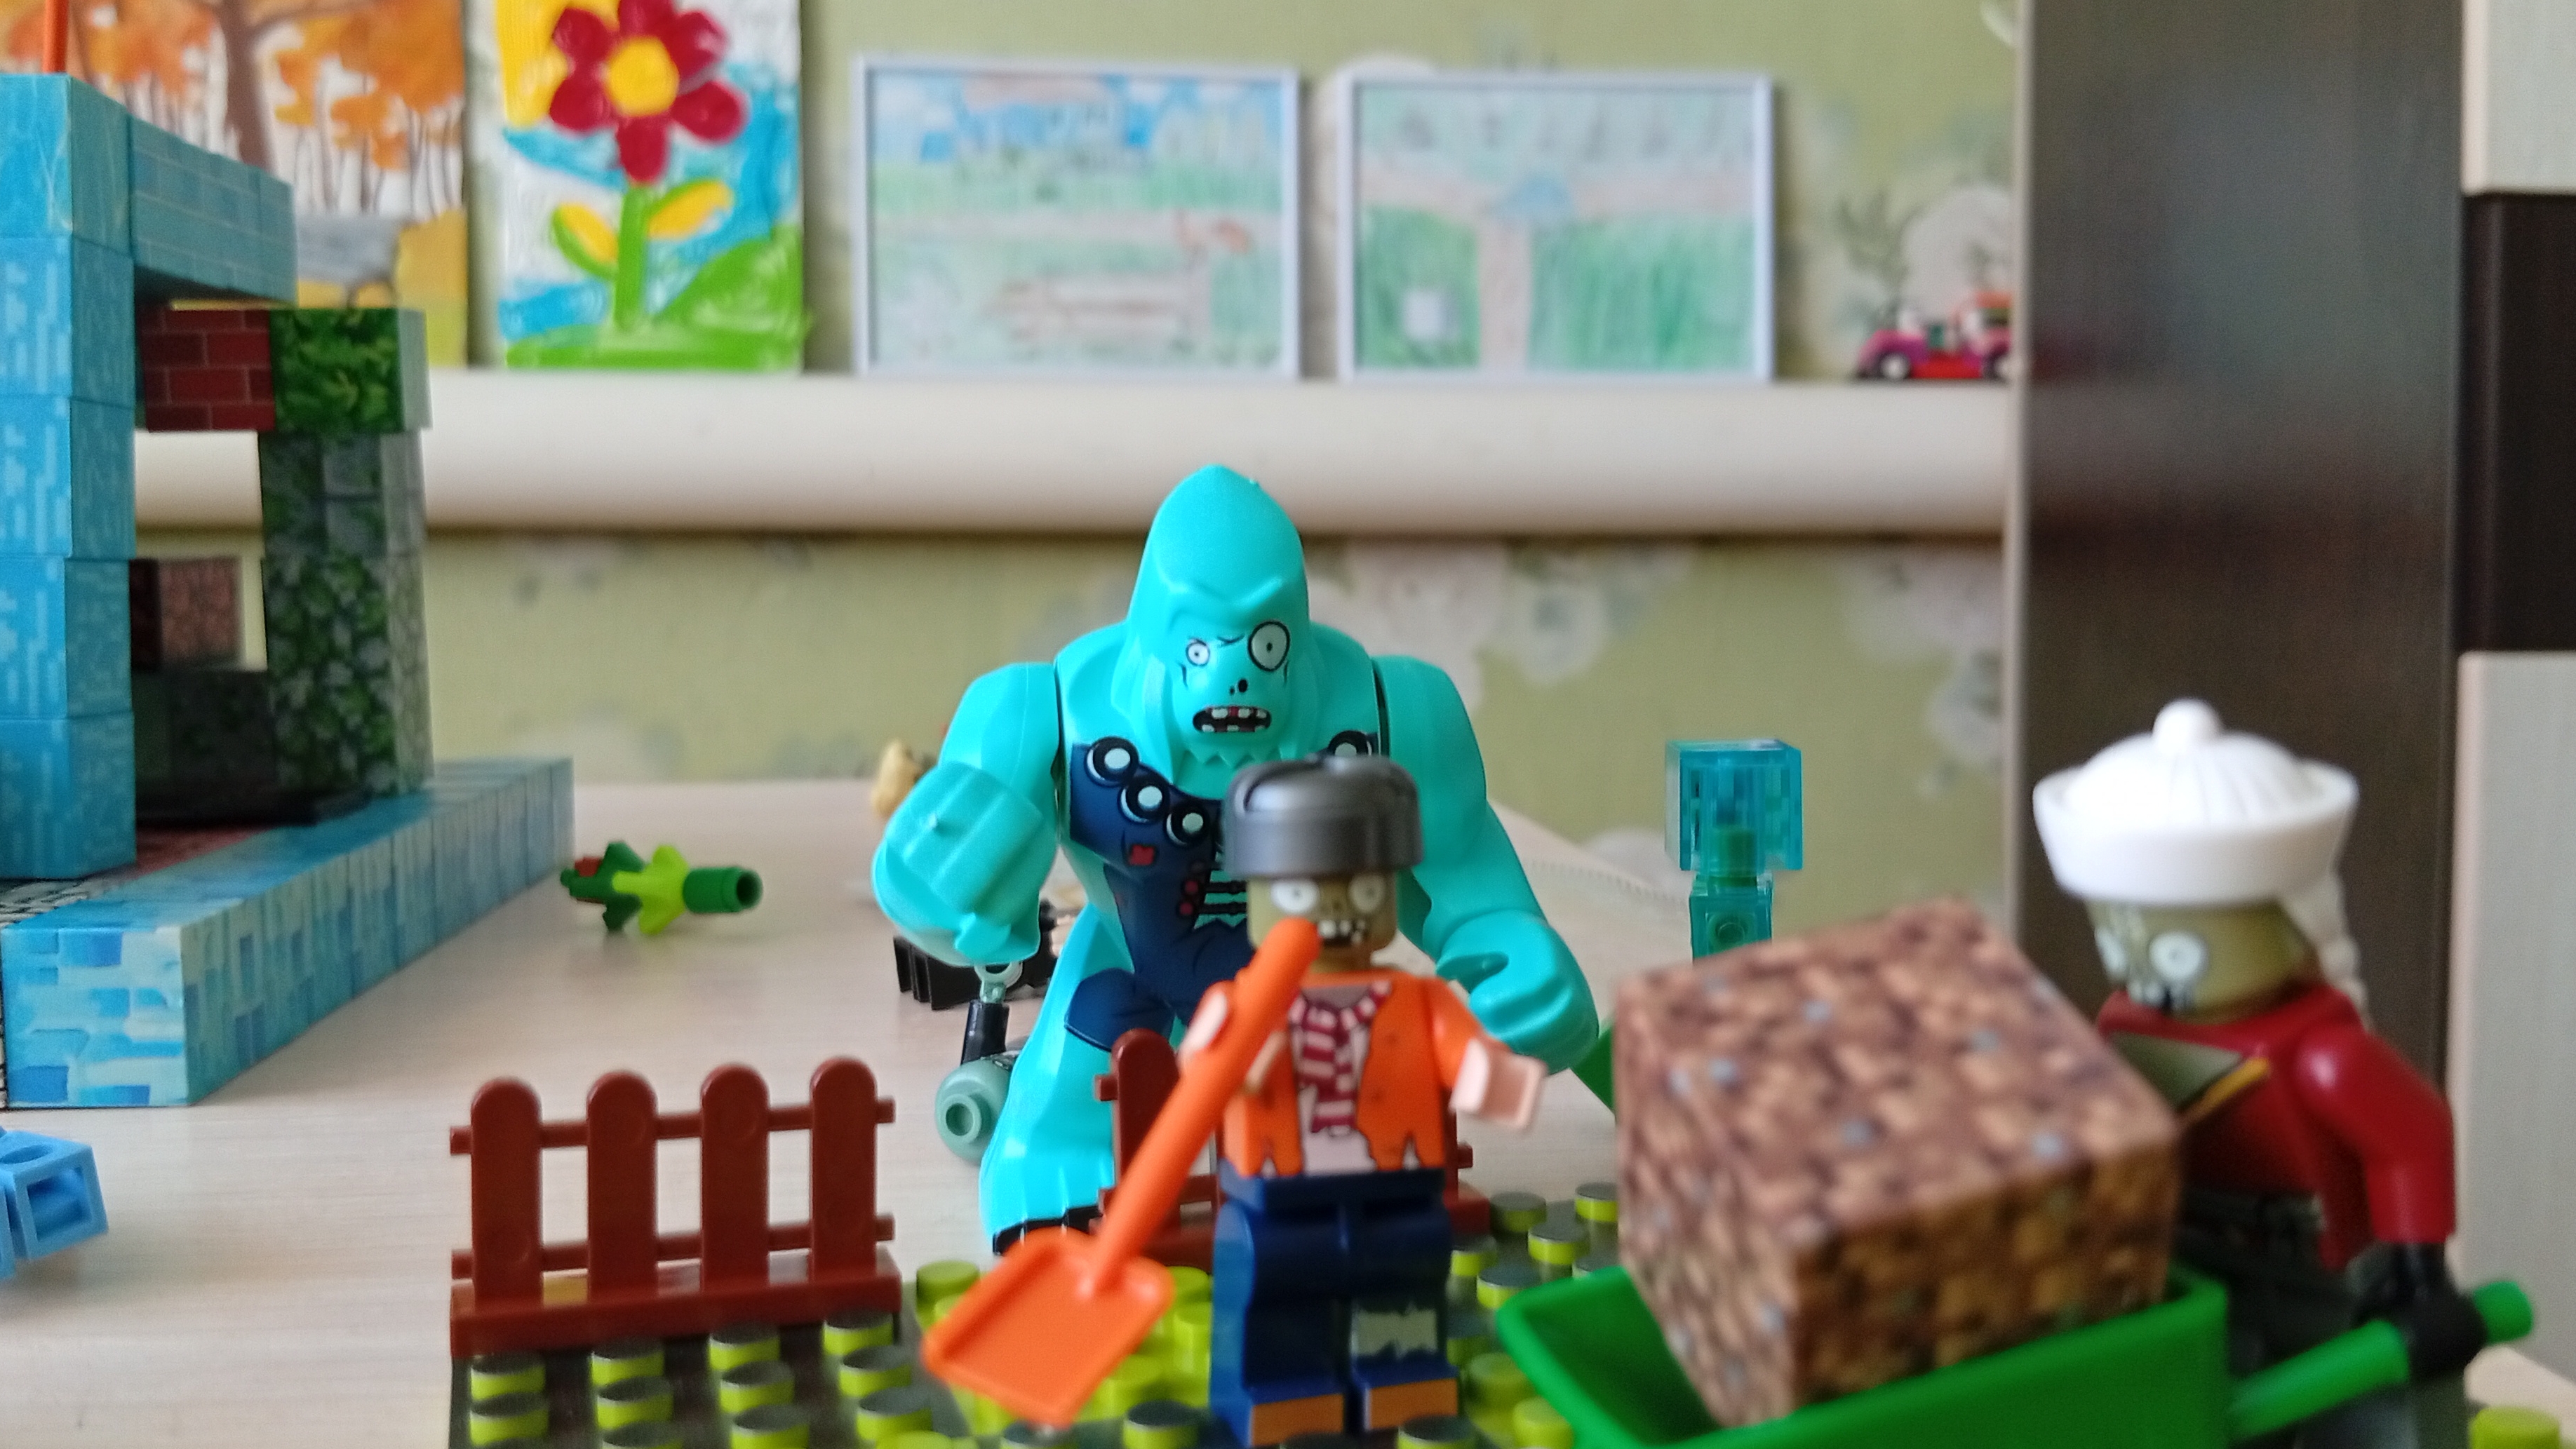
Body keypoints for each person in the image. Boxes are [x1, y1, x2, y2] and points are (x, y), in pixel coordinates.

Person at [2034, 699, 2468, 1449]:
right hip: (2188, 1267)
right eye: (2118, 946)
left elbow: (2413, 1137)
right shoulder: (2120, 1035)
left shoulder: (2324, 1058)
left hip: (2321, 1277)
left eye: (2177, 953)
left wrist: (2418, 1267)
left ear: (2290, 923)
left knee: (2365, 1412)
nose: (2147, 975)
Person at [1181, 753, 1546, 1446]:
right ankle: (1284, 1386)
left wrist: (1494, 1081)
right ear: (1255, 892)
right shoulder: (1239, 1002)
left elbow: (1468, 1057)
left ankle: (1399, 1373)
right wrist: (1234, 1057)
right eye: (1300, 892)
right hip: (1280, 1192)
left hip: (1396, 1181)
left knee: (1401, 1276)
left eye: (1365, 889)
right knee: (1279, 1281)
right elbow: (1200, 1076)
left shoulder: (1419, 999)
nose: (1337, 912)